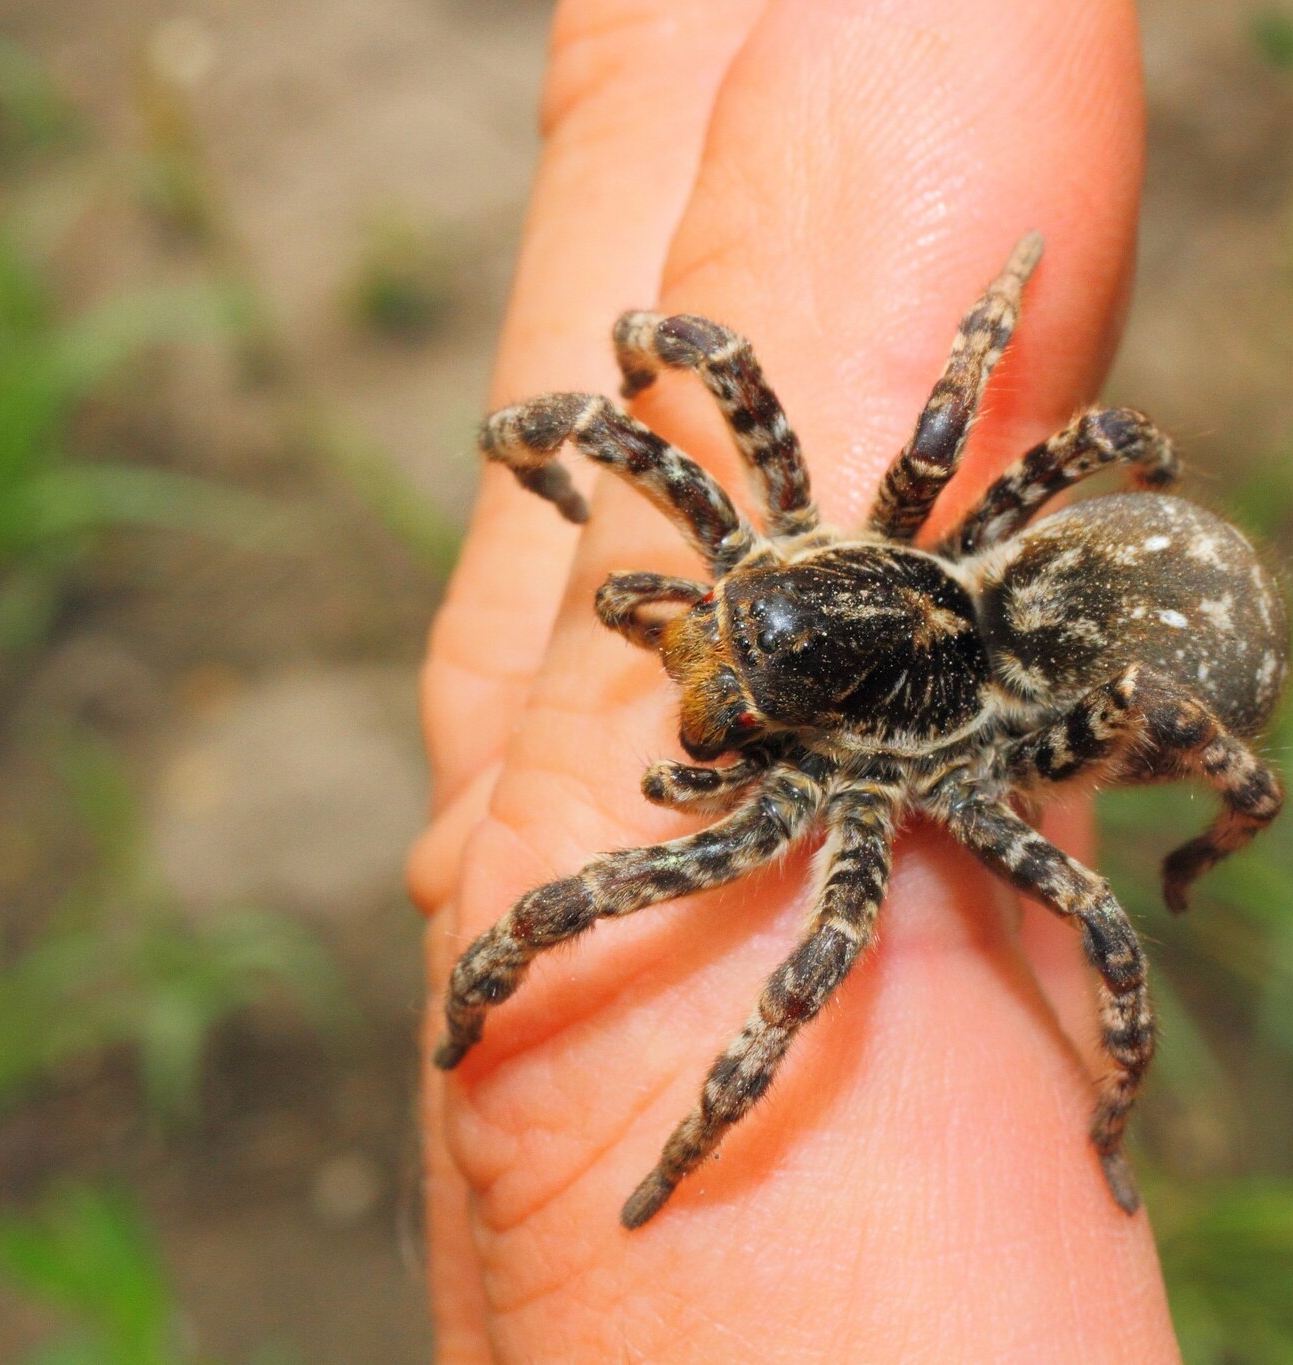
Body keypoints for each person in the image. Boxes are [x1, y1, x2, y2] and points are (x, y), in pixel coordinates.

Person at [410, 0, 1184, 1357]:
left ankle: (1104, 1108)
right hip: (1002, 583)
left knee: (1036, 938)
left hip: (1002, 710)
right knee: (662, 397)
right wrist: (565, 439)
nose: (708, 662)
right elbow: (667, 366)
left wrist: (676, 1136)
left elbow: (782, 966)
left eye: (746, 683)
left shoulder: (925, 782)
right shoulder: (761, 532)